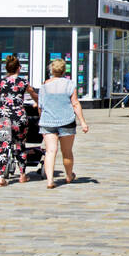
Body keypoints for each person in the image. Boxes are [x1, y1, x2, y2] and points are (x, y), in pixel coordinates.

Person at [37, 58, 89, 189]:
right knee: (67, 152)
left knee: (50, 151)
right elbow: (75, 103)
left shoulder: (44, 85)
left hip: (48, 121)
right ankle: (68, 175)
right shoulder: (70, 84)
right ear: (64, 70)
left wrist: (41, 118)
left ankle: (50, 181)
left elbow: (40, 105)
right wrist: (83, 122)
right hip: (66, 121)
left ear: (52, 70)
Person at [0, 55, 38, 186]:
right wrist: (37, 103)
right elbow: (33, 94)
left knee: (3, 146)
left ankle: (1, 177)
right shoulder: (23, 82)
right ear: (19, 68)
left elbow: (6, 95)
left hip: (4, 118)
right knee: (20, 145)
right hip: (19, 117)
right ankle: (22, 175)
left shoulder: (1, 82)